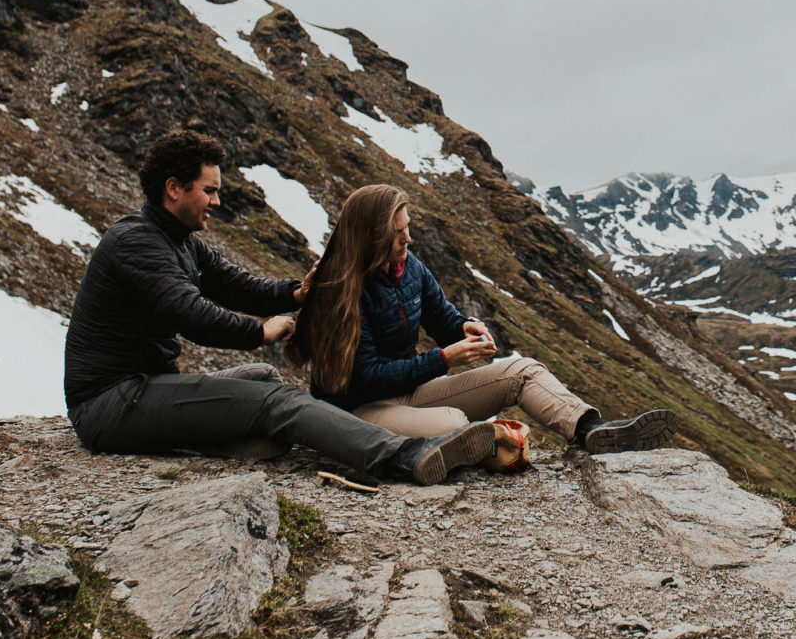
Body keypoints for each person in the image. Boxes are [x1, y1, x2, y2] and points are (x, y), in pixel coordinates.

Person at [63, 129, 494, 485]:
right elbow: (191, 315)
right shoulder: (137, 242)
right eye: (209, 191)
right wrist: (259, 332)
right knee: (278, 400)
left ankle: (221, 440)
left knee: (264, 379)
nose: (216, 201)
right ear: (173, 188)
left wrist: (293, 295)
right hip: (114, 403)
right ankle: (401, 455)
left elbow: (231, 284)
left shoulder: (180, 242)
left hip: (145, 388)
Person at [287, 183, 678, 453]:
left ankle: (591, 430)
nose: (408, 240)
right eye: (396, 233)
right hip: (356, 411)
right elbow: (364, 378)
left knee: (521, 370)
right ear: (369, 237)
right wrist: (443, 360)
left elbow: (442, 318)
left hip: (408, 393)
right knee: (453, 423)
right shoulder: (338, 288)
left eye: (408, 229)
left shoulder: (411, 269)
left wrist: (463, 327)